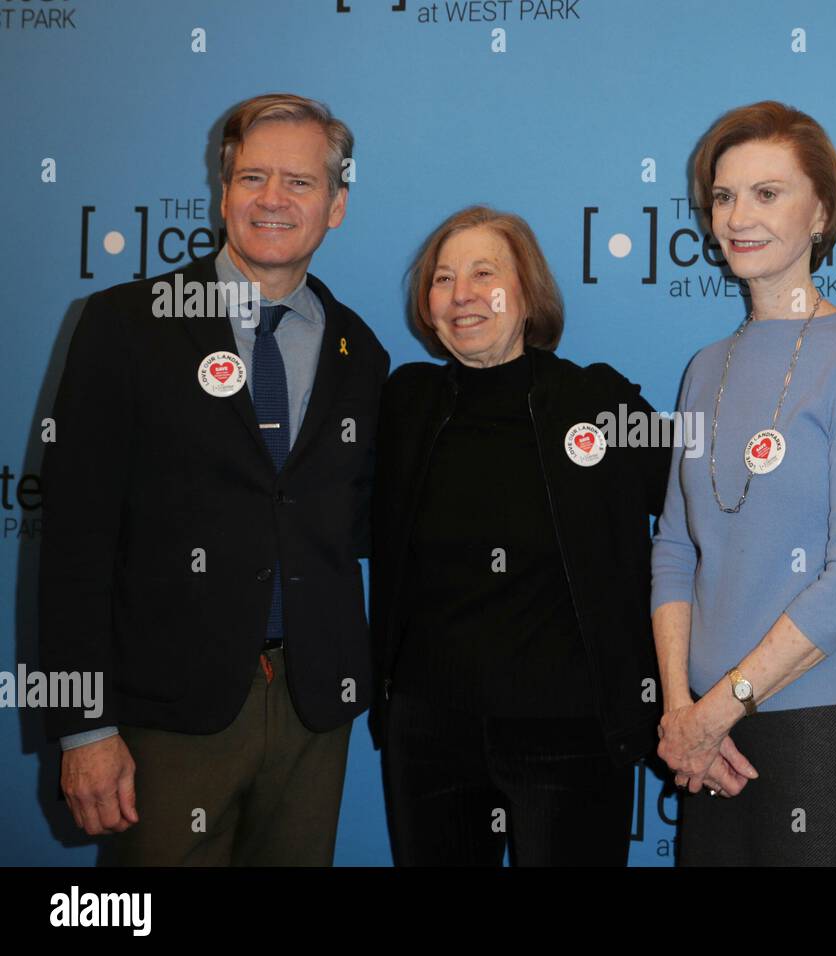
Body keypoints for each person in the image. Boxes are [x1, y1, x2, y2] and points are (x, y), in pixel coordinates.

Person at [39, 93, 389, 865]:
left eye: (299, 183)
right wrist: (86, 727)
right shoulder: (125, 326)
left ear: (336, 205)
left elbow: (350, 528)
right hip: (166, 717)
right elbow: (72, 545)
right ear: (223, 191)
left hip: (311, 713)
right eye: (252, 177)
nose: (272, 200)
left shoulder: (360, 354)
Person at [369, 205, 670, 866]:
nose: (461, 295)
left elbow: (702, 513)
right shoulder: (406, 404)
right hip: (429, 736)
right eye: (442, 279)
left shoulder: (596, 403)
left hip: (571, 735)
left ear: (529, 292)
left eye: (483, 273)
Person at [651, 101, 836, 866]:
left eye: (768, 193)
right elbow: (673, 551)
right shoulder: (704, 367)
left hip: (814, 728)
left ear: (821, 210)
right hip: (700, 732)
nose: (739, 217)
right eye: (725, 196)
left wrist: (718, 709)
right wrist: (679, 712)